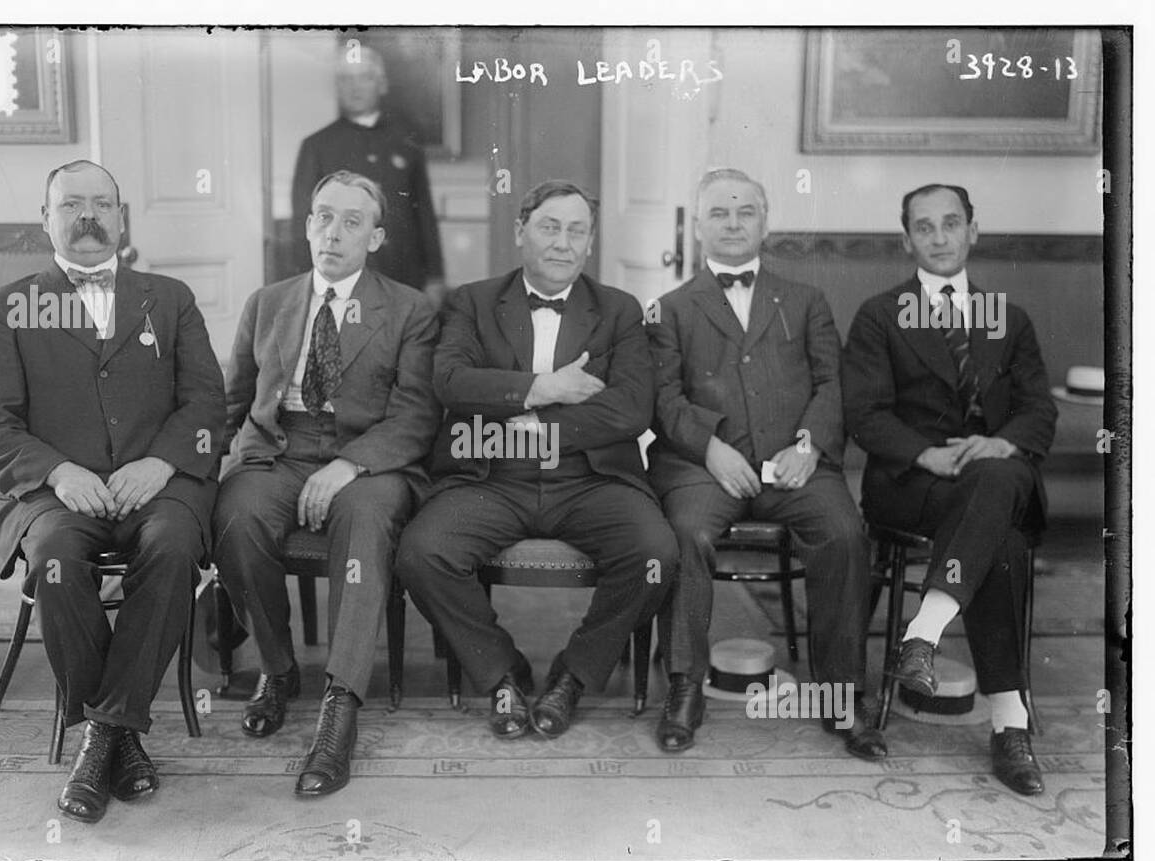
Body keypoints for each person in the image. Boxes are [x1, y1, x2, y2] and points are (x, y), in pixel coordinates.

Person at [0, 159, 226, 824]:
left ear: (120, 216)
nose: (87, 217)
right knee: (54, 553)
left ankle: (101, 733)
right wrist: (58, 472)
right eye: (71, 204)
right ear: (44, 219)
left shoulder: (170, 299)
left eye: (101, 204)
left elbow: (205, 406)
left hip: (156, 489)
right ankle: (123, 738)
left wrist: (160, 464)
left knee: (171, 546)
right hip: (58, 494)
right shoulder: (10, 305)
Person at [396, 180, 679, 741]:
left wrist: (540, 429)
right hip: (492, 475)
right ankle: (502, 672)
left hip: (590, 476)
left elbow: (630, 410)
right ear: (521, 231)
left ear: (591, 242)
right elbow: (452, 383)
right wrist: (542, 386)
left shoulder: (620, 310)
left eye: (577, 232)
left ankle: (573, 677)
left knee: (655, 553)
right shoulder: (472, 301)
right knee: (422, 552)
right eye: (550, 227)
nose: (562, 244)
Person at [213, 170, 439, 798]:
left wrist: (350, 465)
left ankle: (340, 704)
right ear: (307, 224)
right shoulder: (269, 302)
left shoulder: (410, 309)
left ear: (377, 237)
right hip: (281, 451)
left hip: (368, 459)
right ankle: (279, 671)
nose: (332, 233)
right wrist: (193, 467)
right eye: (322, 217)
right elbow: (232, 401)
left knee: (364, 520)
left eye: (351, 221)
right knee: (234, 515)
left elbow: (418, 413)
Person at [648, 168, 880, 758]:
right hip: (705, 467)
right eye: (719, 214)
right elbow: (663, 399)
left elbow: (833, 383)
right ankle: (683, 686)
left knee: (843, 532)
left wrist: (807, 446)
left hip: (795, 464)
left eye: (744, 212)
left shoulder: (806, 301)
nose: (732, 223)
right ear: (697, 225)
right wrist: (709, 448)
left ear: (764, 221)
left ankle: (839, 690)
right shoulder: (669, 309)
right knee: (685, 531)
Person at [842, 183, 1057, 796]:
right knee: (1003, 530)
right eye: (925, 227)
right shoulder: (881, 315)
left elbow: (1038, 412)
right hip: (912, 484)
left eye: (951, 224)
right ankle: (1009, 723)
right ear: (906, 238)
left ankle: (925, 633)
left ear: (973, 230)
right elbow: (865, 413)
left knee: (1001, 490)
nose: (939, 237)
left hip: (990, 481)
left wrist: (1000, 443)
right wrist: (929, 454)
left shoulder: (1008, 319)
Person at [290, 44, 444, 302]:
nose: (355, 87)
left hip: (403, 273)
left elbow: (424, 215)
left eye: (365, 77)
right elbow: (303, 223)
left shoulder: (406, 144)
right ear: (337, 87)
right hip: (342, 275)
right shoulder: (317, 146)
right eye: (347, 79)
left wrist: (436, 277)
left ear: (382, 84)